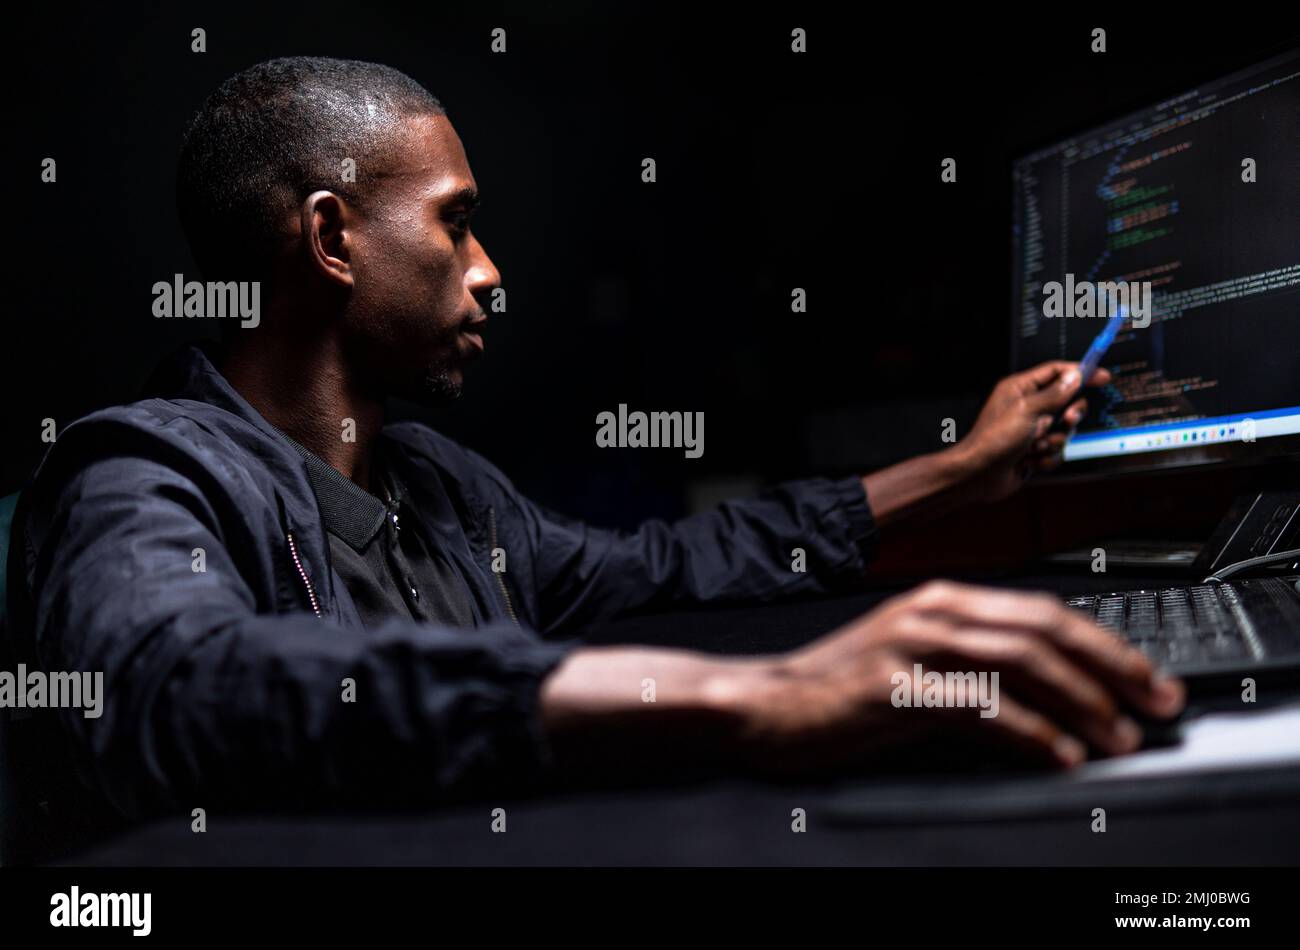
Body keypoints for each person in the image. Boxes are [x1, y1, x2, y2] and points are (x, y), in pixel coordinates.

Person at [4, 58, 1184, 842]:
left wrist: (959, 470)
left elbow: (664, 567)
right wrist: (752, 694)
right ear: (330, 238)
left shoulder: (437, 484)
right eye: (455, 221)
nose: (488, 270)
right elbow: (168, 686)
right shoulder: (138, 474)